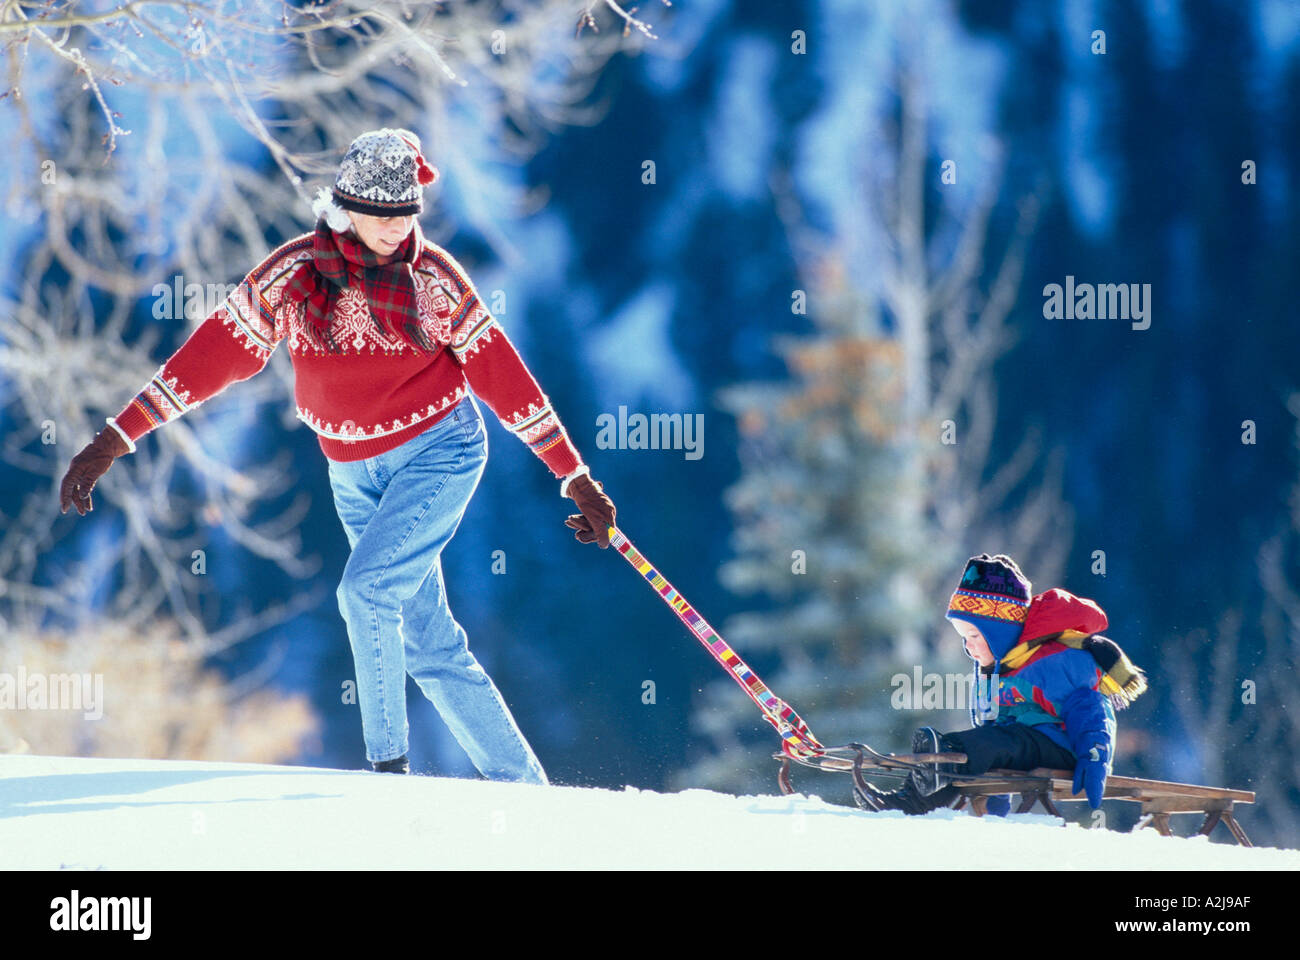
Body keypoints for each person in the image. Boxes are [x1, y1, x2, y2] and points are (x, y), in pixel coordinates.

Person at [59, 128, 617, 784]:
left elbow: (502, 376)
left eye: (405, 214)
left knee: (367, 591)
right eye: (381, 214)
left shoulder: (431, 279)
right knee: (429, 642)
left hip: (440, 452)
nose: (394, 228)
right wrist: (114, 439)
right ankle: (525, 790)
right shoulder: (295, 275)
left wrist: (573, 475)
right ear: (345, 208)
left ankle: (387, 772)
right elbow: (212, 355)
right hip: (351, 471)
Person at [856, 553, 1147, 815]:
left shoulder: (1056, 660)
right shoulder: (1002, 666)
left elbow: (1091, 707)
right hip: (1023, 743)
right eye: (963, 638)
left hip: (1066, 746)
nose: (968, 647)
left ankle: (934, 769)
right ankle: (912, 799)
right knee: (976, 747)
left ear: (999, 632)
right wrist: (995, 788)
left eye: (974, 635)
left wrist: (1095, 757)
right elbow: (999, 725)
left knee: (994, 742)